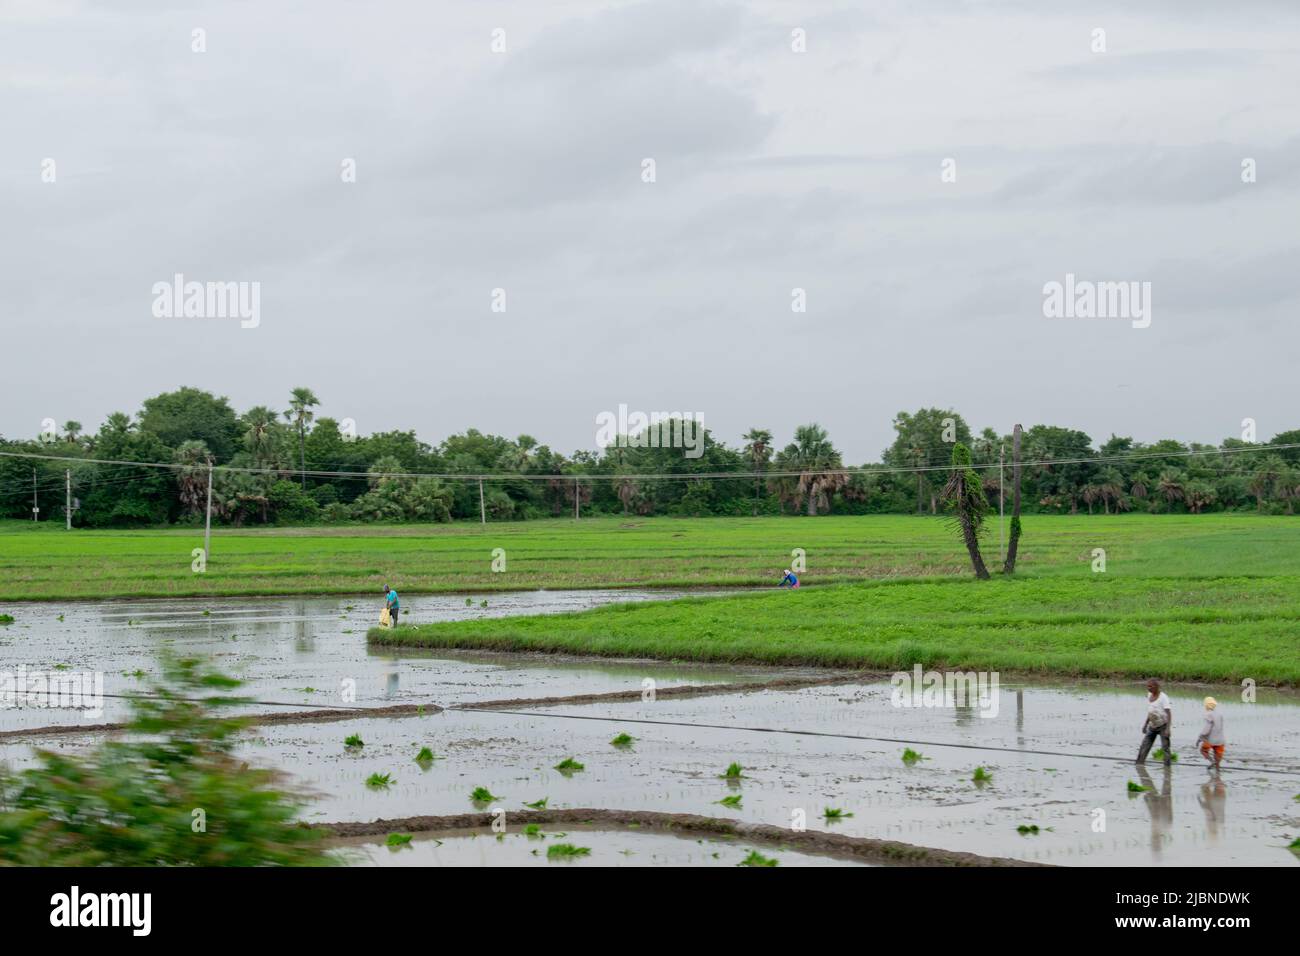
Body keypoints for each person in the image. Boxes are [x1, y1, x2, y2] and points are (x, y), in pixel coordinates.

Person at [1136, 679, 1173, 765]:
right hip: (1152, 726)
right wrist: (1145, 725)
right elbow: (1150, 711)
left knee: (1165, 748)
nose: (1148, 688)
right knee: (1144, 746)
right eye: (1147, 686)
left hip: (1163, 726)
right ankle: (1139, 764)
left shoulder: (1163, 698)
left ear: (1156, 687)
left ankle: (1167, 767)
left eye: (1150, 686)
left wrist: (1168, 729)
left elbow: (1169, 714)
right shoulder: (1149, 695)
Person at [1196, 696, 1226, 769]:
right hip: (1220, 739)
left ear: (1206, 705)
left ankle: (1212, 761)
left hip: (1210, 739)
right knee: (1218, 754)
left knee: (1203, 750)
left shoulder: (1208, 714)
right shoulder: (1219, 714)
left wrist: (1200, 738)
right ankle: (1217, 769)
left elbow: (1206, 729)